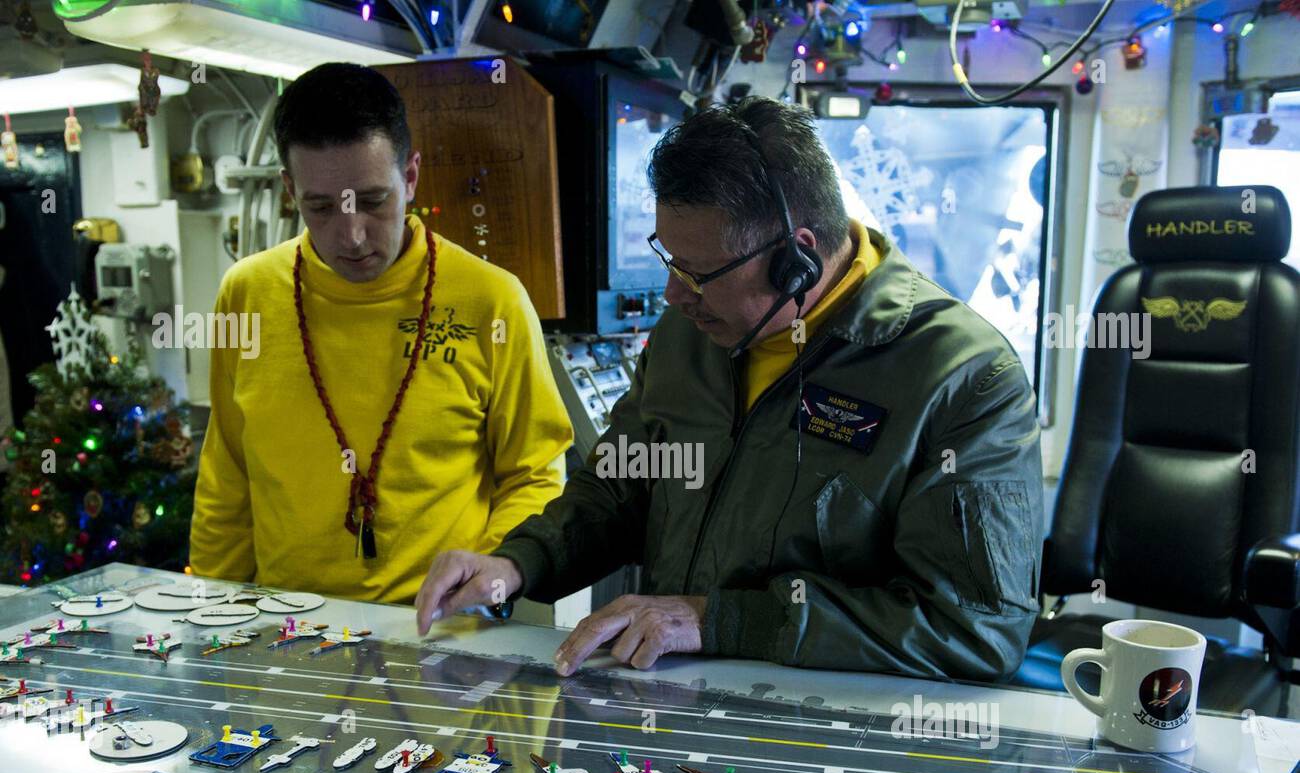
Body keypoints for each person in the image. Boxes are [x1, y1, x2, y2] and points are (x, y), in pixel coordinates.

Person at [415, 96, 1043, 681]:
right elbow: (618, 488)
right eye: (669, 261)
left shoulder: (963, 378)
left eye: (698, 274)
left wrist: (719, 621)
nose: (673, 296)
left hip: (829, 741)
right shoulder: (690, 334)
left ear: (795, 260)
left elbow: (975, 628)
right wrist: (519, 562)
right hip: (669, 704)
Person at [189, 63, 572, 603]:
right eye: (319, 208)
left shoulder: (492, 300)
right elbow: (227, 477)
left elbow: (534, 472)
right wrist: (211, 608)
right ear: (288, 189)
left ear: (410, 176)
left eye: (373, 201)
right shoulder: (246, 294)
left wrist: (489, 572)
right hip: (287, 628)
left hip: (444, 631)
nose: (351, 235)